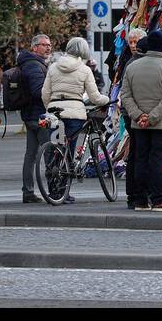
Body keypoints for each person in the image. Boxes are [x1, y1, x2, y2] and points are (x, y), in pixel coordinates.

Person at [42, 36, 110, 203]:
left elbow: (45, 93)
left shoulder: (53, 67)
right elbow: (94, 96)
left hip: (54, 112)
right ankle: (64, 191)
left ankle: (53, 191)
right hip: (74, 114)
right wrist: (106, 100)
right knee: (69, 150)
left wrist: (49, 107)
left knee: (56, 147)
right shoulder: (85, 70)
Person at [120, 30, 162, 211]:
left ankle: (140, 200)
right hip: (161, 123)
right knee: (156, 160)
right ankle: (158, 199)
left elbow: (126, 96)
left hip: (138, 123)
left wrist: (139, 116)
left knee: (140, 159)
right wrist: (152, 117)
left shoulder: (131, 67)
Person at [18, 34, 52, 204]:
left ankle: (28, 192)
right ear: (34, 47)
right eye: (44, 45)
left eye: (49, 45)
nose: (48, 48)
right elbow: (38, 91)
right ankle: (54, 190)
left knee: (30, 155)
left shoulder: (30, 63)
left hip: (30, 115)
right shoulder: (33, 65)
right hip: (40, 115)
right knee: (48, 152)